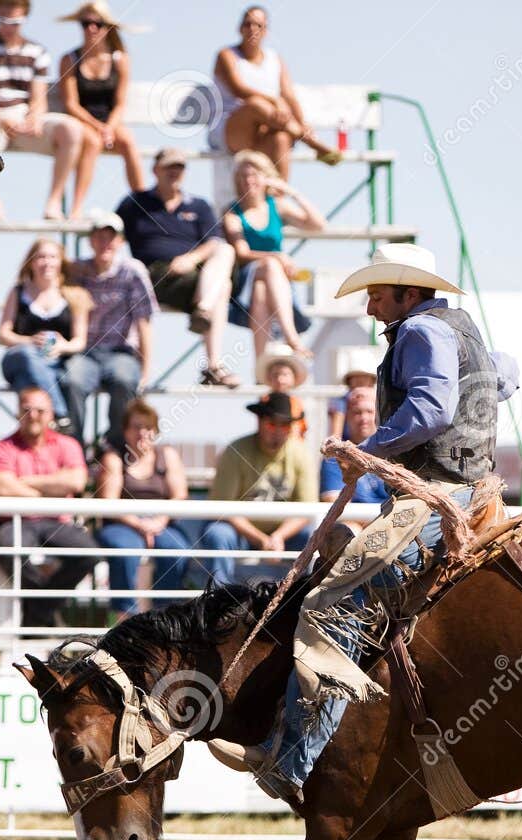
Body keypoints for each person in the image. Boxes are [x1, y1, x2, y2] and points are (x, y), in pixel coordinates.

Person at [214, 244, 499, 808]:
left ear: (407, 292)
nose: (370, 308)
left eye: (376, 293)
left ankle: (291, 758)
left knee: (332, 605)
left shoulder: (420, 333)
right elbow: (503, 377)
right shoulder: (460, 327)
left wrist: (365, 451)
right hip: (476, 493)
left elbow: (433, 411)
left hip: (437, 497)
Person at [117, 147, 239, 387]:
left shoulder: (199, 205)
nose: (174, 173)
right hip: (153, 275)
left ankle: (203, 314)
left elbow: (214, 241)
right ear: (155, 170)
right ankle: (213, 364)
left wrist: (191, 259)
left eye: (179, 168)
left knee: (226, 253)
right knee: (222, 287)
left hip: (194, 277)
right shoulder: (136, 203)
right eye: (169, 167)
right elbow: (111, 233)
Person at [0, 385, 97, 629]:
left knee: (89, 553)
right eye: (27, 409)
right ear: (17, 413)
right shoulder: (2, 447)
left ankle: (37, 611)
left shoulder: (67, 445)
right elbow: (1, 487)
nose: (33, 415)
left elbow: (76, 481)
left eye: (40, 410)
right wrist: (52, 487)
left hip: (57, 522)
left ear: (51, 414)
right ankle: (45, 614)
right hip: (16, 521)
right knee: (9, 548)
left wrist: (25, 483)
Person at [0, 0, 81, 220]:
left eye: (16, 21)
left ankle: (53, 203)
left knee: (72, 129)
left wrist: (35, 118)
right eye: (5, 20)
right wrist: (0, 119)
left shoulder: (37, 51)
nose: (10, 26)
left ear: (25, 17)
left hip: (25, 119)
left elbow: (39, 98)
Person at [195, 391, 315, 586]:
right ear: (259, 422)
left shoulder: (301, 453)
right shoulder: (236, 450)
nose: (277, 431)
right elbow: (223, 507)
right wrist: (262, 540)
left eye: (284, 425)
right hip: (239, 532)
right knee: (218, 534)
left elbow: (307, 510)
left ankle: (302, 601)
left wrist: (277, 537)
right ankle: (219, 602)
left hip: (284, 535)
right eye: (270, 423)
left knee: (312, 535)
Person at [212, 6, 340, 178]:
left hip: (267, 131)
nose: (252, 29)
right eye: (248, 24)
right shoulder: (226, 55)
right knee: (256, 104)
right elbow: (239, 89)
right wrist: (274, 101)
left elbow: (289, 95)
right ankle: (312, 143)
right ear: (239, 28)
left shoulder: (274, 59)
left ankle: (279, 196)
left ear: (266, 31)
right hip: (233, 131)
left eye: (258, 25)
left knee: (281, 138)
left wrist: (302, 122)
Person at [222, 149, 324, 362]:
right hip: (246, 274)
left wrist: (293, 193)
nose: (248, 181)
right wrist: (277, 257)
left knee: (261, 290)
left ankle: (260, 364)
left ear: (265, 177)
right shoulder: (232, 212)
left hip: (272, 280)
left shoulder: (276, 206)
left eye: (254, 175)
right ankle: (291, 336)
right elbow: (242, 252)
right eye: (243, 176)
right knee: (269, 265)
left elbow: (317, 225)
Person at [94, 399, 191, 619]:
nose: (142, 433)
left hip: (161, 523)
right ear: (126, 431)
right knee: (125, 550)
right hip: (122, 523)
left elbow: (180, 495)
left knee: (176, 551)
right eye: (136, 427)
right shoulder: (114, 458)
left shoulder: (167, 456)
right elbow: (109, 502)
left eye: (148, 428)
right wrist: (139, 524)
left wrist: (159, 521)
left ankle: (164, 617)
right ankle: (125, 619)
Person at [65, 210, 154, 446]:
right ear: (91, 240)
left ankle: (114, 446)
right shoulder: (75, 270)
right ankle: (74, 449)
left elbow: (144, 322)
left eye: (110, 237)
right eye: (99, 236)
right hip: (83, 351)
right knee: (71, 379)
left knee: (124, 379)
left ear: (121, 241)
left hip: (121, 351)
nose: (105, 243)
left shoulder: (133, 271)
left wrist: (145, 370)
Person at [57, 1, 141, 221]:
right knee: (92, 143)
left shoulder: (120, 59)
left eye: (97, 23)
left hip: (110, 121)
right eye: (85, 24)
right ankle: (76, 208)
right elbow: (71, 104)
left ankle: (144, 203)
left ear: (107, 27)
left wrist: (110, 127)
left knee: (129, 141)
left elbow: (120, 103)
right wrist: (99, 128)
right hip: (82, 121)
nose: (91, 28)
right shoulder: (69, 60)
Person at [0, 238, 91, 429]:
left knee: (32, 382)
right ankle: (60, 414)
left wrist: (62, 345)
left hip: (55, 363)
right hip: (20, 358)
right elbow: (3, 335)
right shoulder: (17, 292)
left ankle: (48, 436)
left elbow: (80, 341)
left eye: (52, 257)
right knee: (27, 355)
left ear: (61, 262)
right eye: (41, 257)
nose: (47, 262)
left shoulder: (75, 295)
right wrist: (29, 341)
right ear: (31, 262)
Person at [320, 381, 388, 507]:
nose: (364, 418)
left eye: (369, 412)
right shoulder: (335, 457)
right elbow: (335, 504)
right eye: (357, 412)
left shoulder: (395, 451)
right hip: (356, 523)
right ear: (347, 417)